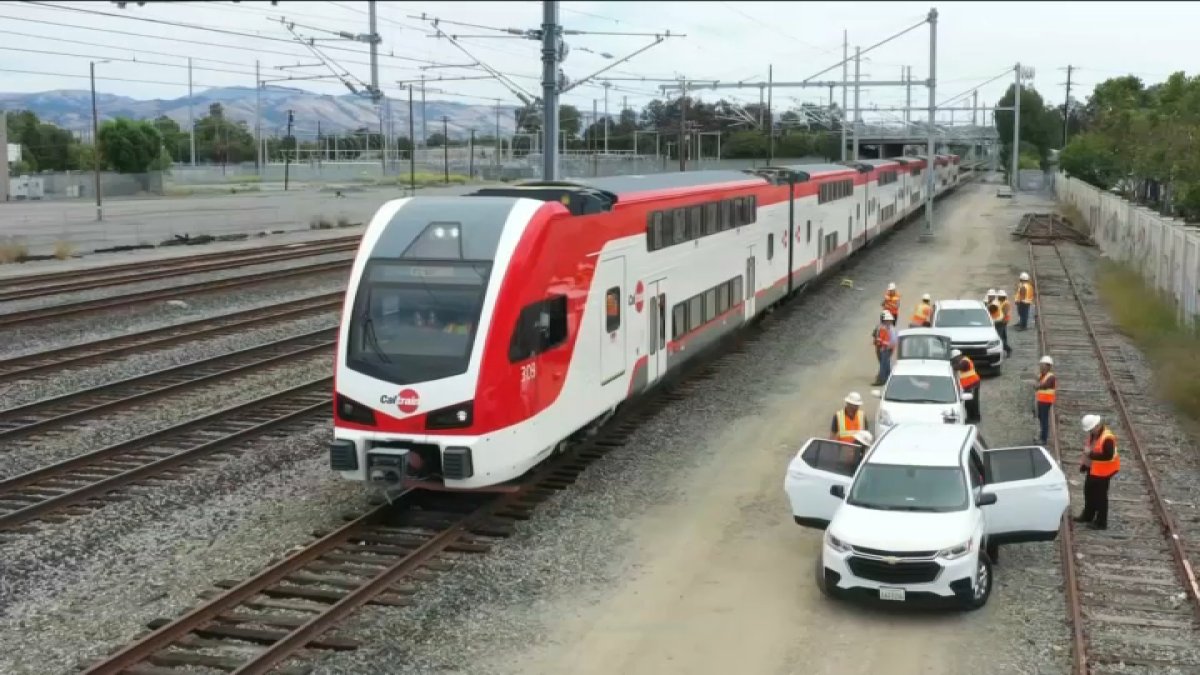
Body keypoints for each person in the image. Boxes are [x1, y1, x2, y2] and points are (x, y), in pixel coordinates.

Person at [1076, 415, 1120, 530]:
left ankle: (1101, 522)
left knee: (1100, 497)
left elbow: (1108, 455)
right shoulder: (1094, 435)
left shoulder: (1108, 438)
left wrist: (1090, 454)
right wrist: (1085, 466)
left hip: (1104, 472)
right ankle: (1088, 515)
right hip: (1094, 470)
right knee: (1088, 492)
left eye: (1090, 429)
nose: (1090, 432)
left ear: (1096, 426)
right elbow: (1092, 449)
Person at [952, 349, 981, 422]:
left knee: (972, 402)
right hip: (969, 385)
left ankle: (975, 418)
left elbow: (959, 367)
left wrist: (951, 366)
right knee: (968, 402)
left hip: (972, 384)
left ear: (958, 356)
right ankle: (971, 417)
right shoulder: (962, 360)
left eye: (955, 358)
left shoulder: (964, 361)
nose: (955, 360)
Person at [871, 310, 897, 386]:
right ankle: (888, 377)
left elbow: (892, 340)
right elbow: (877, 336)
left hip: (886, 348)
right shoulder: (883, 327)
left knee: (883, 364)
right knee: (885, 363)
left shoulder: (889, 329)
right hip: (884, 348)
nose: (889, 322)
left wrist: (886, 347)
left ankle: (881, 379)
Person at [1035, 355, 1056, 445]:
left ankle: (1044, 439)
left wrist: (1038, 385)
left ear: (1048, 366)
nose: (1041, 367)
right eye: (1041, 365)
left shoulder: (1051, 377)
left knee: (1044, 420)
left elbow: (1045, 385)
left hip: (1046, 401)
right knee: (1041, 418)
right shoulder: (1043, 376)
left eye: (1043, 365)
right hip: (1041, 401)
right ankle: (1041, 436)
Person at [995, 289, 1013, 357]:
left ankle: (1008, 349)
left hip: (1002, 321)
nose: (999, 297)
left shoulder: (1005, 303)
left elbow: (1005, 313)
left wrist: (1001, 320)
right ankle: (1004, 348)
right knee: (1003, 336)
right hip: (1001, 321)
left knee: (999, 337)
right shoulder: (1001, 302)